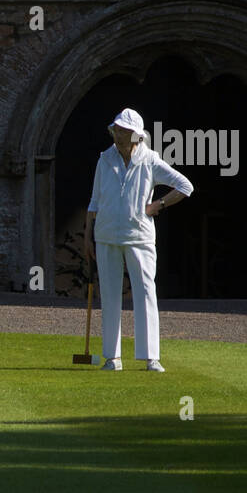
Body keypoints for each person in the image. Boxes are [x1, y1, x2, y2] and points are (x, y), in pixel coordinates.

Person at [83, 108, 193, 372]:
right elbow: (94, 201)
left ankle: (150, 357)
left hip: (140, 237)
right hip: (106, 236)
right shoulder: (104, 159)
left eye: (124, 132)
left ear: (137, 136)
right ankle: (112, 357)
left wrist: (159, 205)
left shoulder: (151, 160)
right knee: (109, 296)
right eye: (117, 130)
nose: (118, 136)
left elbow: (185, 186)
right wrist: (87, 237)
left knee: (145, 293)